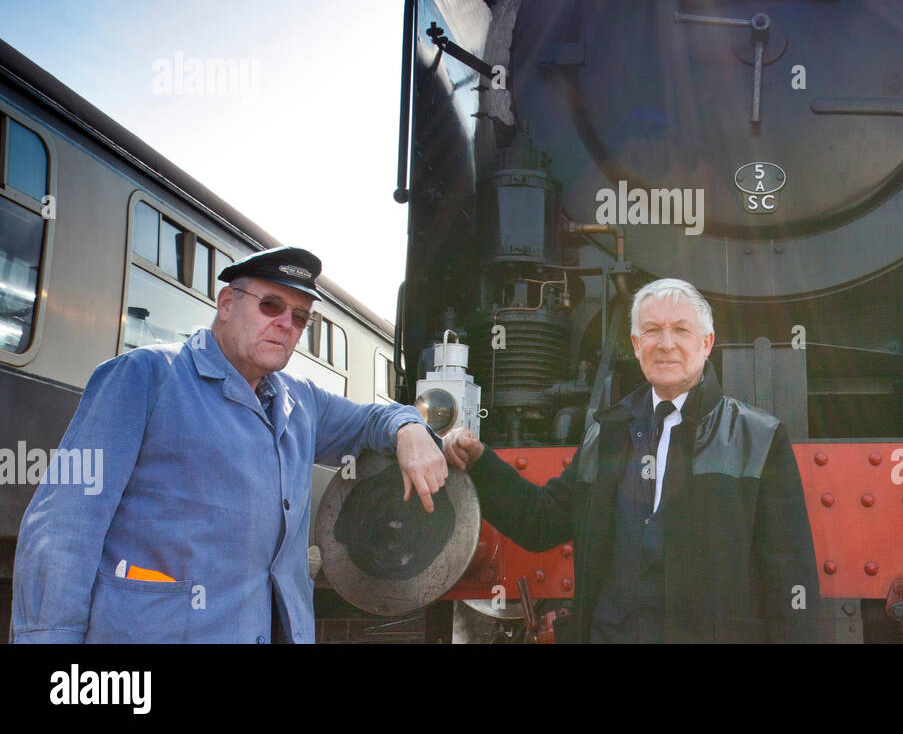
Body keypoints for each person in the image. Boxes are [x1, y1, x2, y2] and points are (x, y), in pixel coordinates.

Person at [11, 246, 447, 643]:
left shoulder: (302, 400)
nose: (286, 324)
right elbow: (64, 526)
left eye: (299, 317)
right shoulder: (144, 376)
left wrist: (409, 428)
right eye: (271, 305)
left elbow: (374, 419)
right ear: (226, 304)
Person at [442, 277, 824, 643]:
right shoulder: (605, 435)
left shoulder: (759, 437)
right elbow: (540, 522)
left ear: (707, 343)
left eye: (681, 330)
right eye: (653, 331)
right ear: (636, 344)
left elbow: (789, 576)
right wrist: (479, 462)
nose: (666, 343)